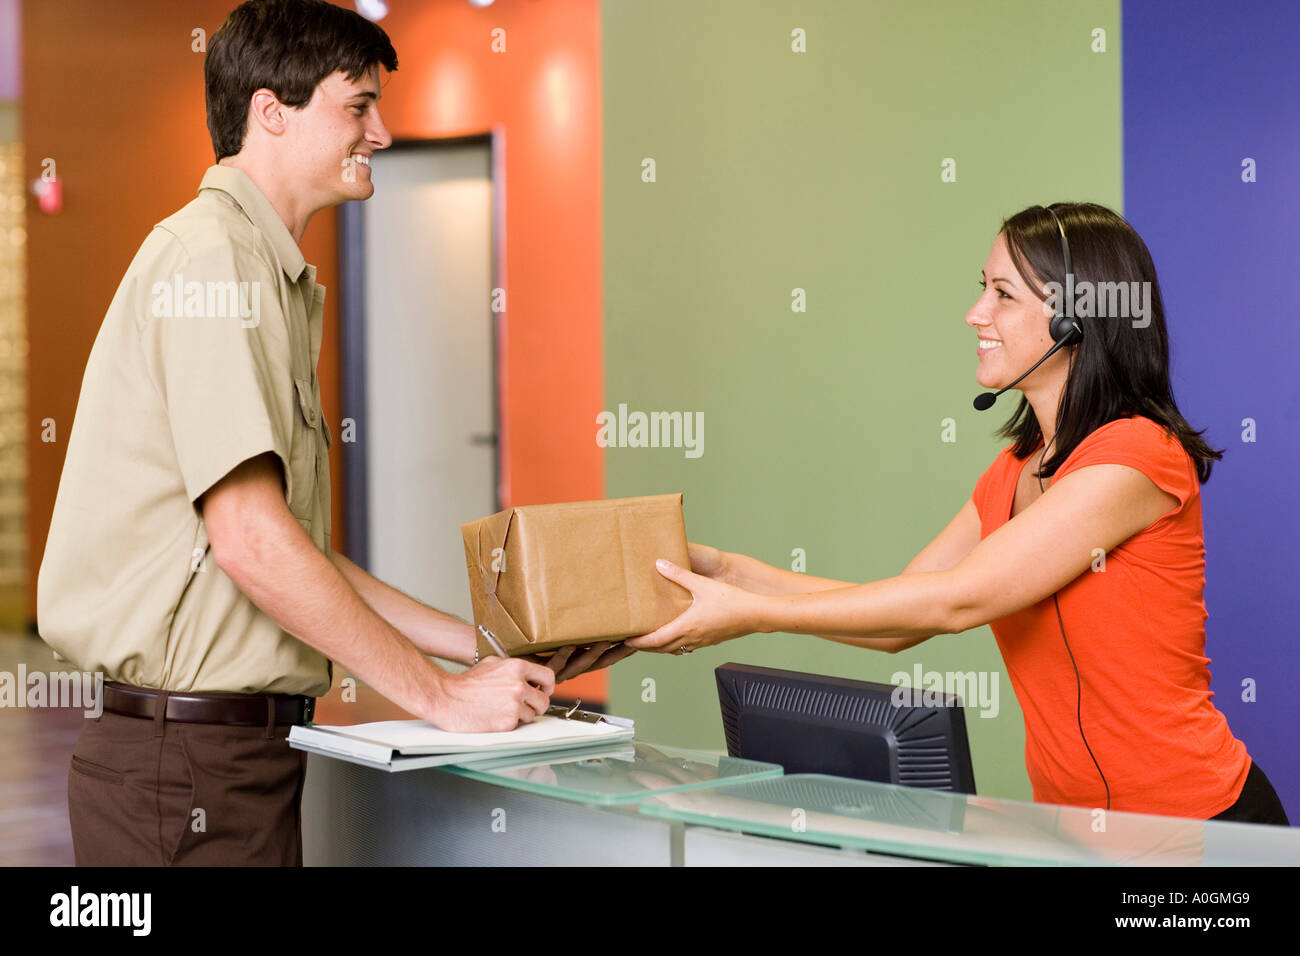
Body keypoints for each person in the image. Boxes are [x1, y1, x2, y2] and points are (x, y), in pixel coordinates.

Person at [37, 0, 623, 867]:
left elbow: (296, 549)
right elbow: (252, 544)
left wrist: (483, 648)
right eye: (358, 106)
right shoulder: (214, 262)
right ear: (271, 111)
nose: (380, 133)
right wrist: (444, 700)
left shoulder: (262, 273)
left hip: (229, 762)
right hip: (183, 771)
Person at [627, 202, 1289, 825]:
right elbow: (897, 618)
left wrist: (748, 616)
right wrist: (731, 572)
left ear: (1076, 319)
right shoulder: (1012, 472)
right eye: (984, 288)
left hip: (1203, 827)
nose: (976, 313)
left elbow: (958, 602)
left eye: (1003, 295)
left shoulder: (1137, 455)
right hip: (1081, 830)